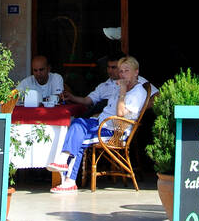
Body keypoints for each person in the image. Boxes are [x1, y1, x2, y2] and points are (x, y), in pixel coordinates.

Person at [47, 56, 147, 192]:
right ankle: (63, 159)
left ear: (136, 72)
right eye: (121, 71)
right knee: (77, 123)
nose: (123, 74)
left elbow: (120, 114)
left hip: (114, 132)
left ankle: (69, 181)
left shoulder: (138, 91)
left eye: (126, 71)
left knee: (79, 139)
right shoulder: (120, 87)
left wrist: (122, 90)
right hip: (101, 123)